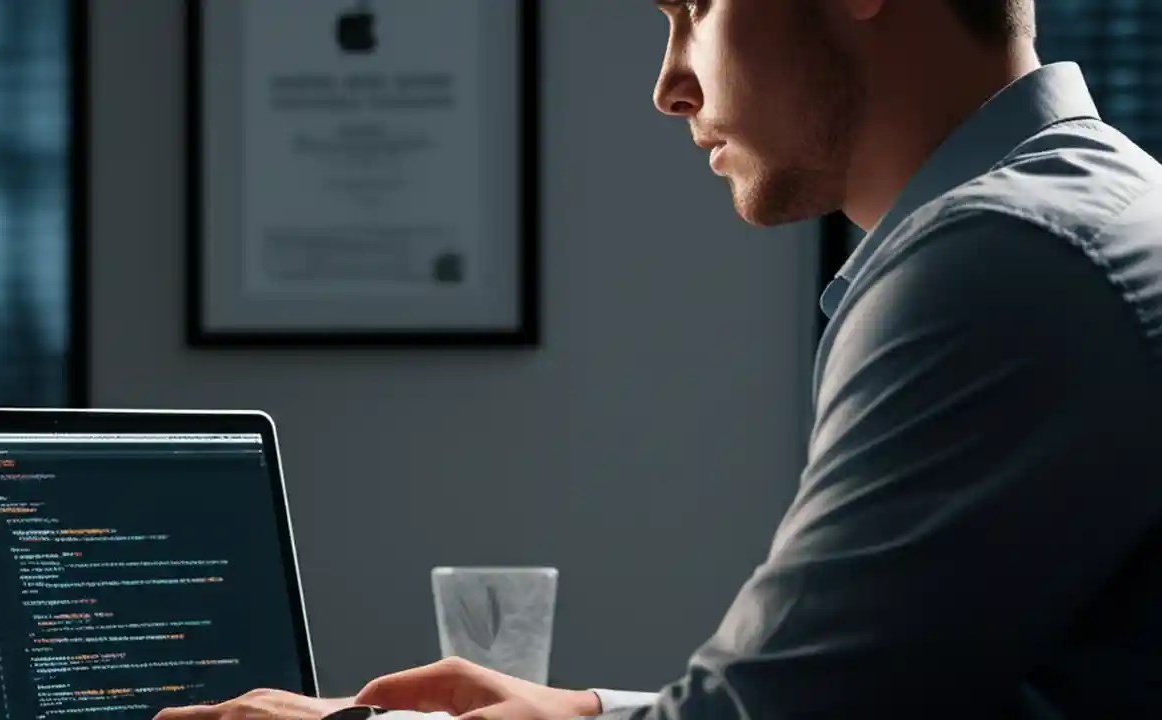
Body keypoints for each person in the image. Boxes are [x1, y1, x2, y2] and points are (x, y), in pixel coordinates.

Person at [157, 0, 1162, 717]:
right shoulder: (1092, 209)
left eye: (692, 12)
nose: (667, 86)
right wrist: (586, 714)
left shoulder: (1000, 261)